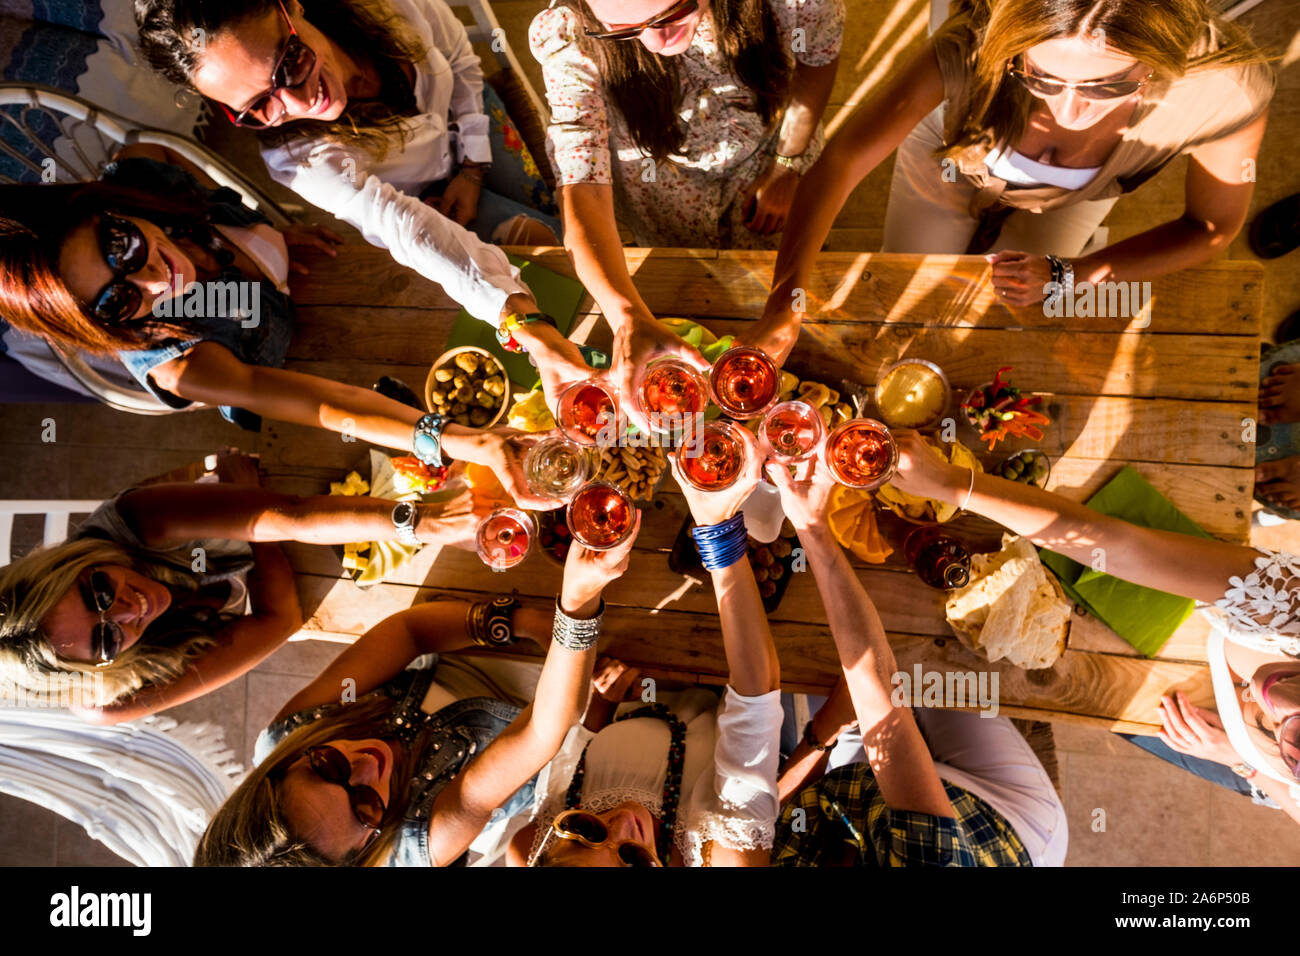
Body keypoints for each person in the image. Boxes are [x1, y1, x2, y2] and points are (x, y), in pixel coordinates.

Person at [0, 150, 589, 510]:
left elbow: (163, 155)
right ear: (106, 327)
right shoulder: (182, 363)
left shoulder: (147, 179)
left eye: (119, 244)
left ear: (108, 205)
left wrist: (269, 234)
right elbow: (329, 407)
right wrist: (472, 442)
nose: (153, 274)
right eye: (119, 299)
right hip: (312, 364)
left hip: (338, 276)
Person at [757, 0, 1274, 358]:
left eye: (1109, 85)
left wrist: (1076, 276)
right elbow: (844, 159)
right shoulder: (973, 45)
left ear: (1163, 58)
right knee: (905, 288)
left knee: (1013, 320)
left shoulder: (1226, 91)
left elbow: (1211, 227)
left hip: (1075, 199)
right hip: (950, 160)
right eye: (1041, 78)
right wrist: (784, 300)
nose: (1068, 111)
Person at [890, 429, 1300, 826]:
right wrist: (951, 484)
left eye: (1294, 742)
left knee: (1115, 708)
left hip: (1254, 766)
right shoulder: (1290, 603)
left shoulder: (1273, 751)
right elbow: (1120, 547)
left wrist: (1243, 761)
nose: (1274, 704)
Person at [194, 511, 641, 866]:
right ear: (365, 853)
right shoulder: (422, 842)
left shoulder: (287, 737)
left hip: (470, 651)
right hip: (546, 728)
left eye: (327, 767)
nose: (367, 768)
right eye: (366, 807)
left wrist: (523, 622)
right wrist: (577, 603)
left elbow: (410, 632)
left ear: (285, 766)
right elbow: (543, 731)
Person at [135, 0, 565, 329]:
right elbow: (402, 226)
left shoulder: (383, 6)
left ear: (292, 7)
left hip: (471, 118)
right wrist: (518, 321)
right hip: (426, 200)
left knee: (559, 234)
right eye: (258, 106)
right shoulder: (295, 158)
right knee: (550, 255)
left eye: (290, 62)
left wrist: (473, 168)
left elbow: (459, 61)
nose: (299, 102)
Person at [526, 0, 844, 426]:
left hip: (773, 154)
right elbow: (582, 190)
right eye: (624, 30)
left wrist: (787, 165)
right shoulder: (571, 33)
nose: (656, 41)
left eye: (672, 15)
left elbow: (817, 61)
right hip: (661, 184)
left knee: (776, 272)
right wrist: (627, 318)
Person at [0, 449, 488, 723]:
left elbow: (293, 513)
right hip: (316, 575)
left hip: (303, 500)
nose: (129, 609)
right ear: (96, 670)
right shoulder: (113, 699)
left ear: (79, 562)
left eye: (99, 592)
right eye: (106, 639)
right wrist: (258, 533)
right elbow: (282, 621)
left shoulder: (131, 522)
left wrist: (429, 524)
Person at [762, 457, 1067, 866]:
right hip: (998, 815)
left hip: (851, 798)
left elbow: (766, 820)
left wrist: (823, 732)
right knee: (934, 666)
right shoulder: (930, 860)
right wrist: (812, 528)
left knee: (830, 671)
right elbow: (883, 683)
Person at [510, 426, 783, 867]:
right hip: (720, 677)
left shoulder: (528, 845)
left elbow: (569, 749)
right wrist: (716, 531)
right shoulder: (724, 856)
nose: (621, 822)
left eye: (584, 832)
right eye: (634, 858)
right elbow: (757, 695)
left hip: (630, 679)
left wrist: (604, 701)